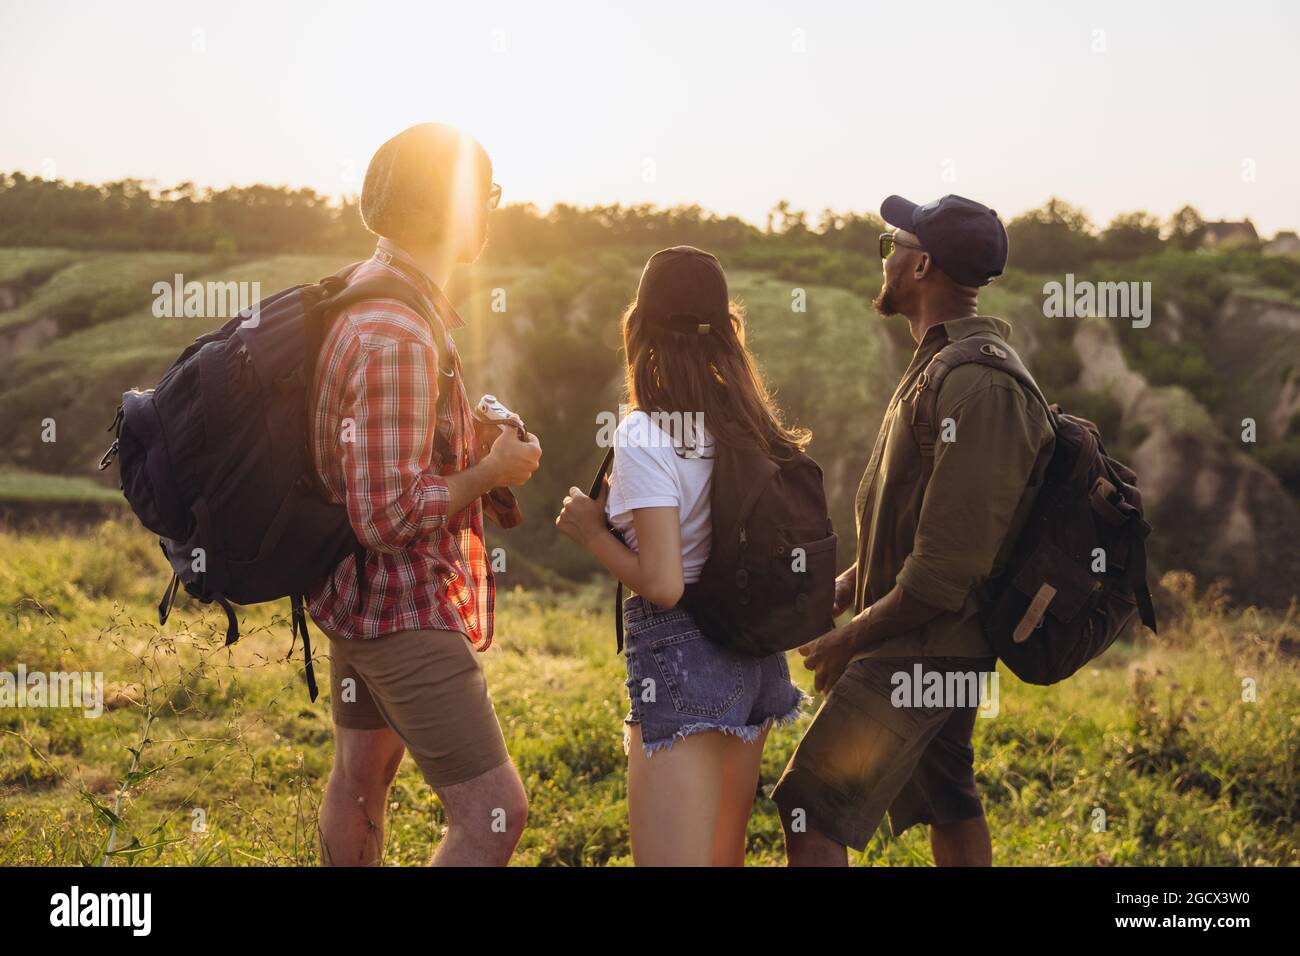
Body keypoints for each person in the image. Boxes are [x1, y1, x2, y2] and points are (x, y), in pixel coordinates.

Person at [771, 195, 1054, 866]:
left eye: (890, 245)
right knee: (946, 793)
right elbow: (916, 523)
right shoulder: (943, 364)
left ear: (921, 264)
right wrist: (847, 585)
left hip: (923, 647)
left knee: (810, 804)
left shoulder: (979, 385)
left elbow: (940, 574)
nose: (886, 258)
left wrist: (845, 641)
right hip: (930, 641)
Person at [310, 123, 542, 866]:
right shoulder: (400, 333)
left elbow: (375, 454)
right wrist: (491, 474)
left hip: (351, 595)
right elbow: (389, 514)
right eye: (486, 196)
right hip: (401, 606)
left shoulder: (368, 288)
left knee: (361, 777)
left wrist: (468, 437)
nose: (491, 211)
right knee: (495, 812)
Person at [555, 246, 808, 866]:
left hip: (682, 656)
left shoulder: (645, 433)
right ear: (728, 332)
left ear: (637, 329)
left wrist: (591, 533)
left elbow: (664, 584)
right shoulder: (747, 423)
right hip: (751, 655)